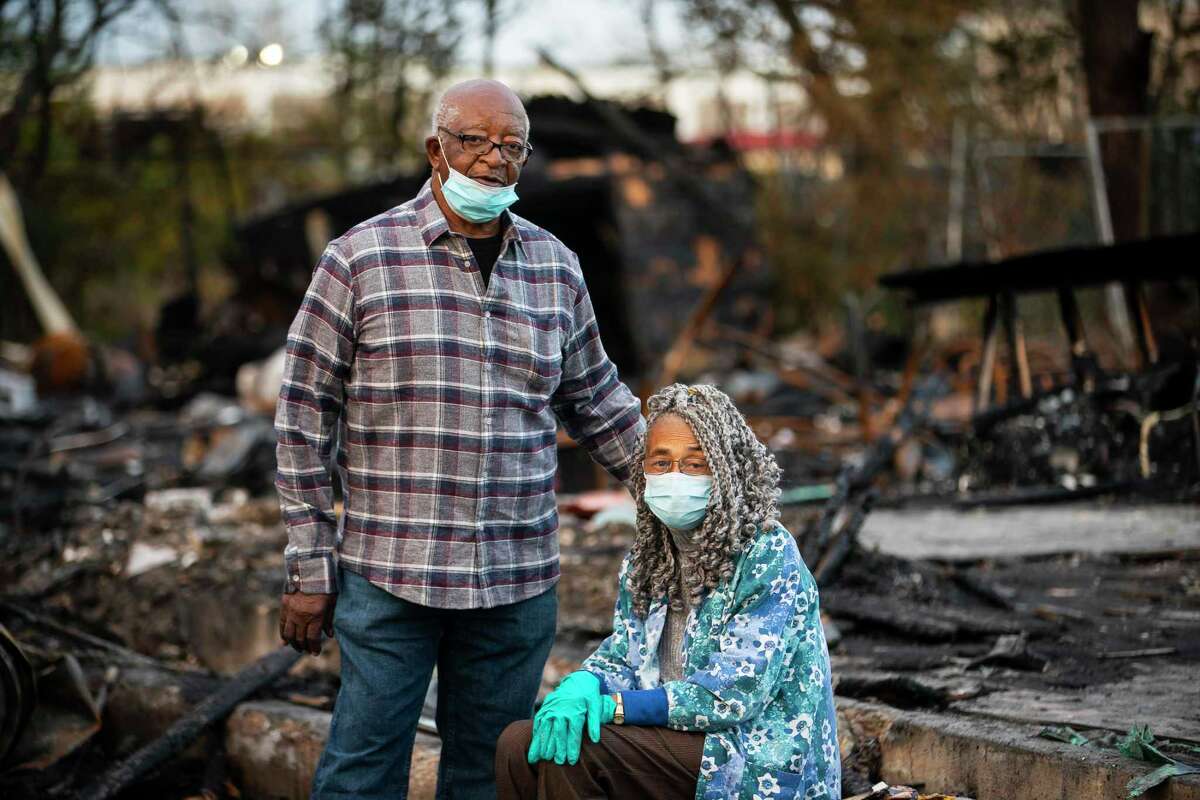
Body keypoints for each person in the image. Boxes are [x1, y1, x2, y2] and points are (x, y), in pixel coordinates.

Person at [273, 78, 644, 800]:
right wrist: (309, 566)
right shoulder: (360, 259)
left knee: (488, 771)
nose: (492, 160)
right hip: (392, 573)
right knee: (361, 768)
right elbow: (302, 416)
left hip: (515, 576)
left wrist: (673, 484)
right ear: (434, 150)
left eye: (512, 146)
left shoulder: (555, 267)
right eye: (474, 141)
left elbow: (596, 397)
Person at [495, 384, 840, 800]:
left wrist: (616, 707)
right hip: (670, 737)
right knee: (520, 744)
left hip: (751, 753)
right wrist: (584, 683)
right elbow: (625, 654)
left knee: (584, 752)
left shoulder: (766, 553)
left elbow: (732, 695)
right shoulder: (651, 555)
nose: (675, 477)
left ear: (726, 470)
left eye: (695, 464)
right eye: (661, 462)